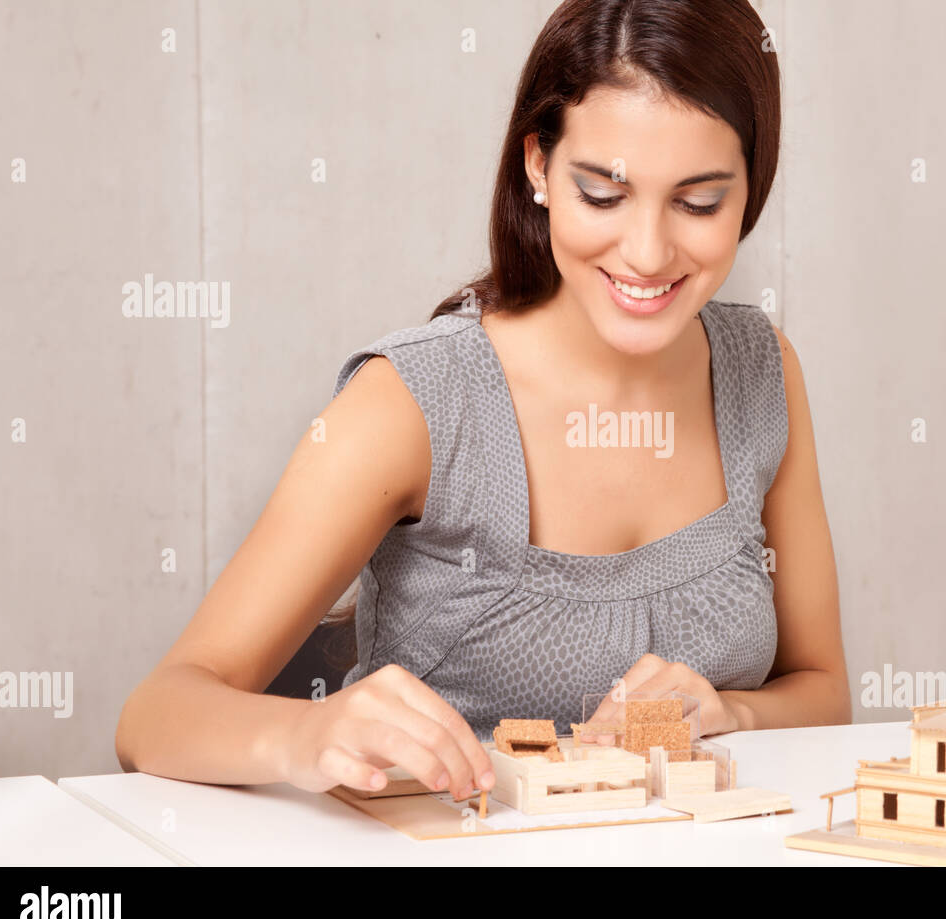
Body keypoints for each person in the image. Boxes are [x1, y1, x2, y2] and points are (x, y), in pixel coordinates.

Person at [116, 0, 850, 806]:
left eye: (699, 202)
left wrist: (731, 711)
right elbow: (156, 716)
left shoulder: (763, 373)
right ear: (537, 165)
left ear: (753, 185)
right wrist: (308, 734)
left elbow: (822, 692)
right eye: (603, 193)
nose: (647, 251)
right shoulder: (411, 403)